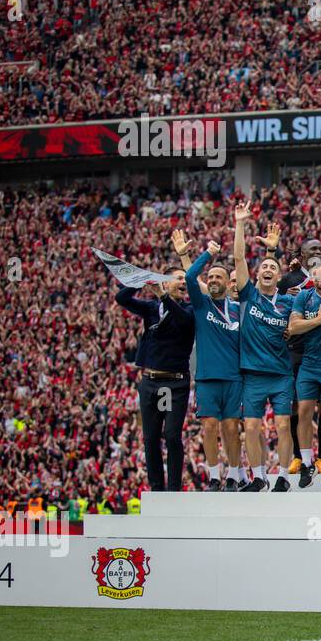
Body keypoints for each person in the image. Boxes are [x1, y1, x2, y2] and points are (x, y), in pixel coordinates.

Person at [232, 204, 296, 492]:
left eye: (273, 267)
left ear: (280, 277)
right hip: (253, 374)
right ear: (255, 276)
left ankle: (283, 476)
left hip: (282, 374)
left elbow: (297, 324)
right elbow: (237, 258)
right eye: (264, 267)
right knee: (251, 429)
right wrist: (240, 224)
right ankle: (258, 477)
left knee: (283, 425)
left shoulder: (289, 302)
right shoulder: (249, 296)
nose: (268, 269)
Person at [114, 264, 194, 492]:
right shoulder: (151, 308)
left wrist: (164, 297)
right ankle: (157, 488)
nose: (183, 283)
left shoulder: (189, 309)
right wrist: (141, 280)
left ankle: (174, 489)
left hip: (174, 383)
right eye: (178, 278)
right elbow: (121, 298)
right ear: (164, 281)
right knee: (150, 438)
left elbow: (184, 322)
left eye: (185, 280)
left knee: (171, 435)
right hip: (151, 381)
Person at [175, 232, 242, 491]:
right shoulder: (201, 305)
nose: (214, 280)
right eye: (211, 277)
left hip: (234, 377)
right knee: (209, 427)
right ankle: (214, 476)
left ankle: (234, 476)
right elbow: (190, 276)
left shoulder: (239, 308)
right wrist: (208, 255)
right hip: (206, 377)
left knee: (231, 429)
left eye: (218, 277)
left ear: (227, 283)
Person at [288, 264, 321, 489]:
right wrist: (318, 321)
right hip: (309, 364)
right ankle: (306, 463)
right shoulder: (304, 297)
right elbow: (293, 327)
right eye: (317, 278)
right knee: (304, 412)